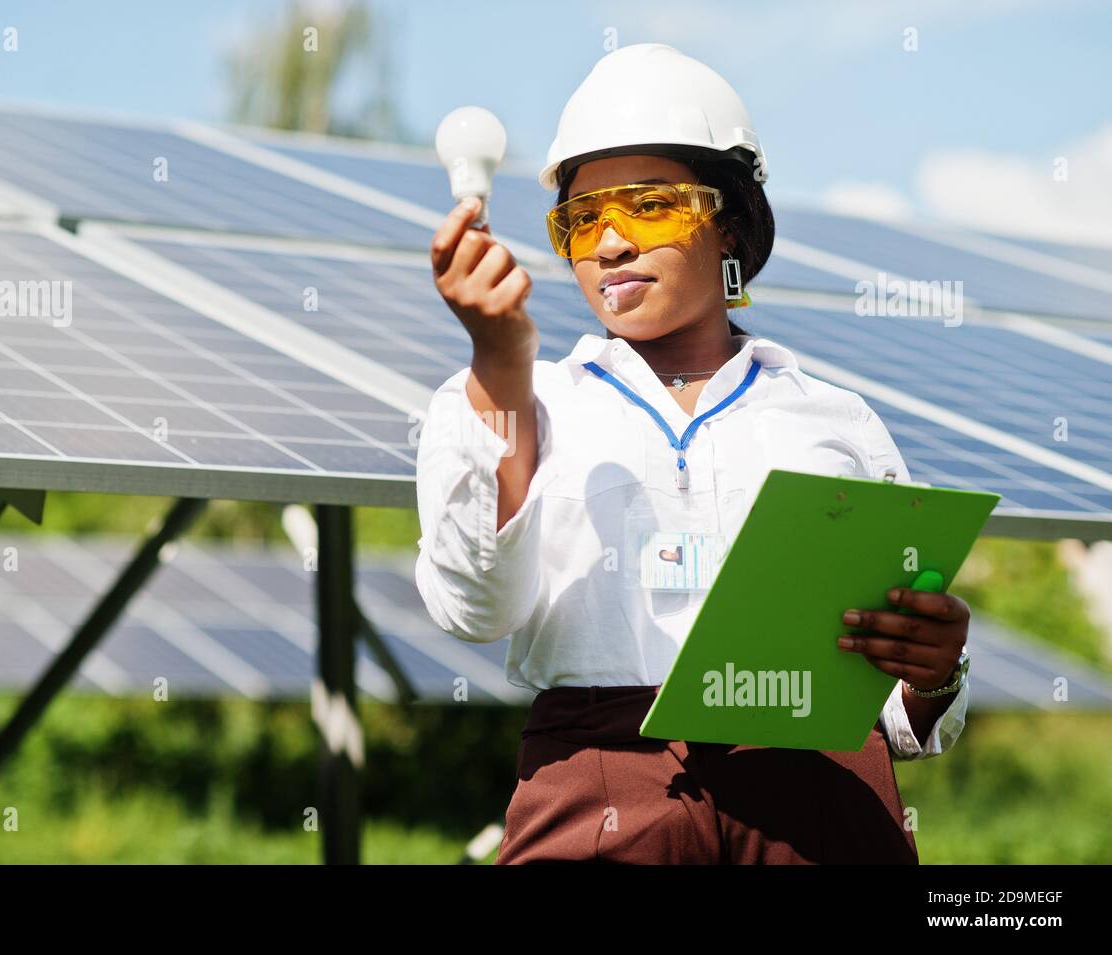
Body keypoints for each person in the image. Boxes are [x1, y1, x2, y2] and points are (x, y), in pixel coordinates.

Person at [415, 44, 971, 864]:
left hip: (821, 807)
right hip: (598, 789)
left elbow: (900, 710)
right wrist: (502, 367)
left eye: (648, 207)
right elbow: (475, 610)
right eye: (580, 221)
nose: (608, 244)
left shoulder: (836, 421)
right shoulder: (512, 399)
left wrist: (932, 676)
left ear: (732, 223)